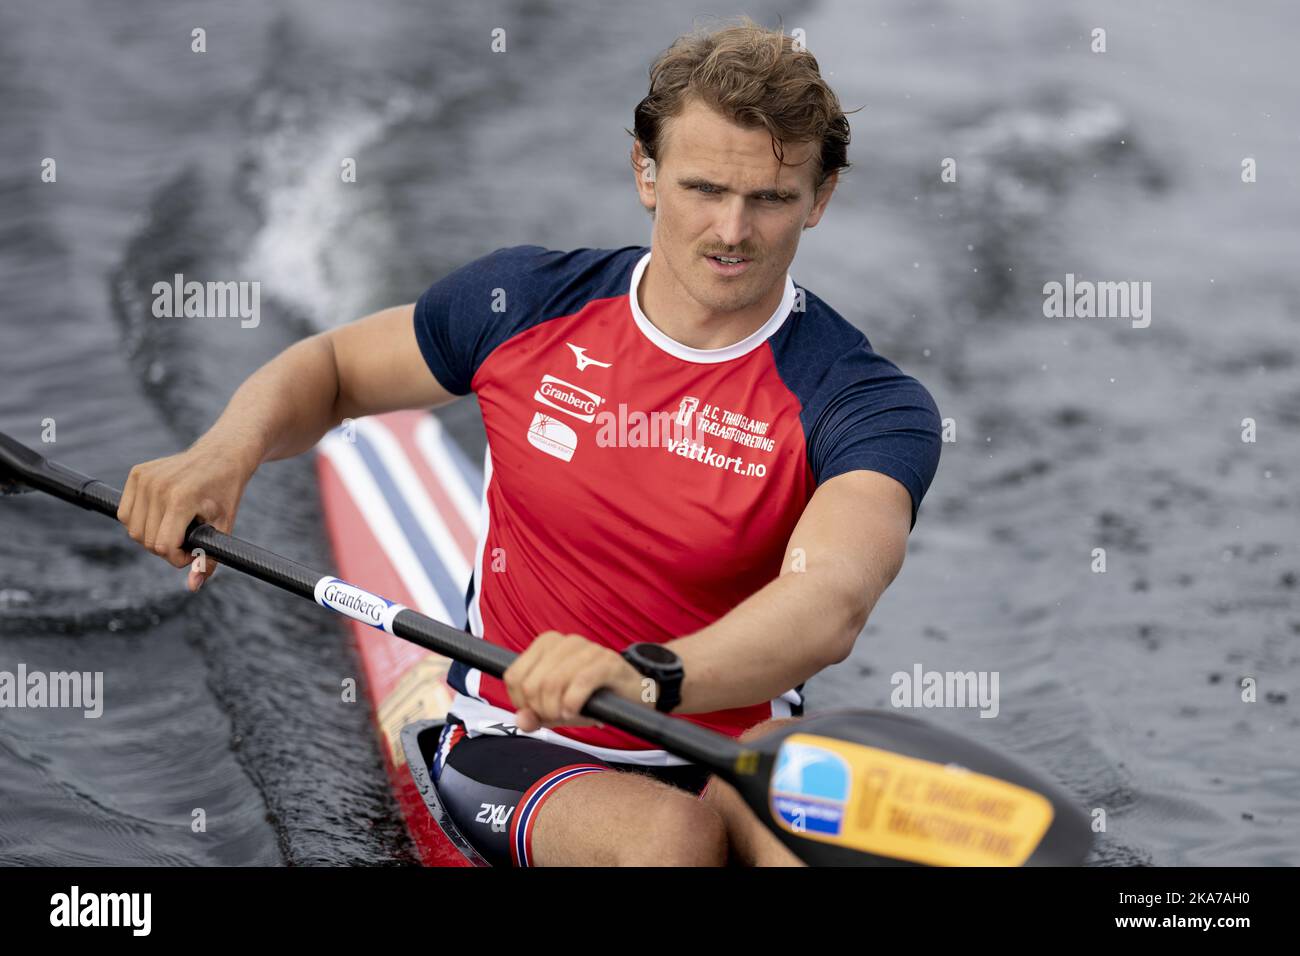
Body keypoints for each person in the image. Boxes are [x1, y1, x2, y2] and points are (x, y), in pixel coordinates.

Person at [116, 17, 942, 866]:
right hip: (521, 737)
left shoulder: (863, 402)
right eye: (702, 189)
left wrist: (644, 675)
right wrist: (223, 453)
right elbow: (332, 371)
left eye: (769, 198)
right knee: (670, 839)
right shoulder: (526, 305)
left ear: (821, 197)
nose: (731, 230)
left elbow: (829, 601)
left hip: (732, 751)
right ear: (645, 173)